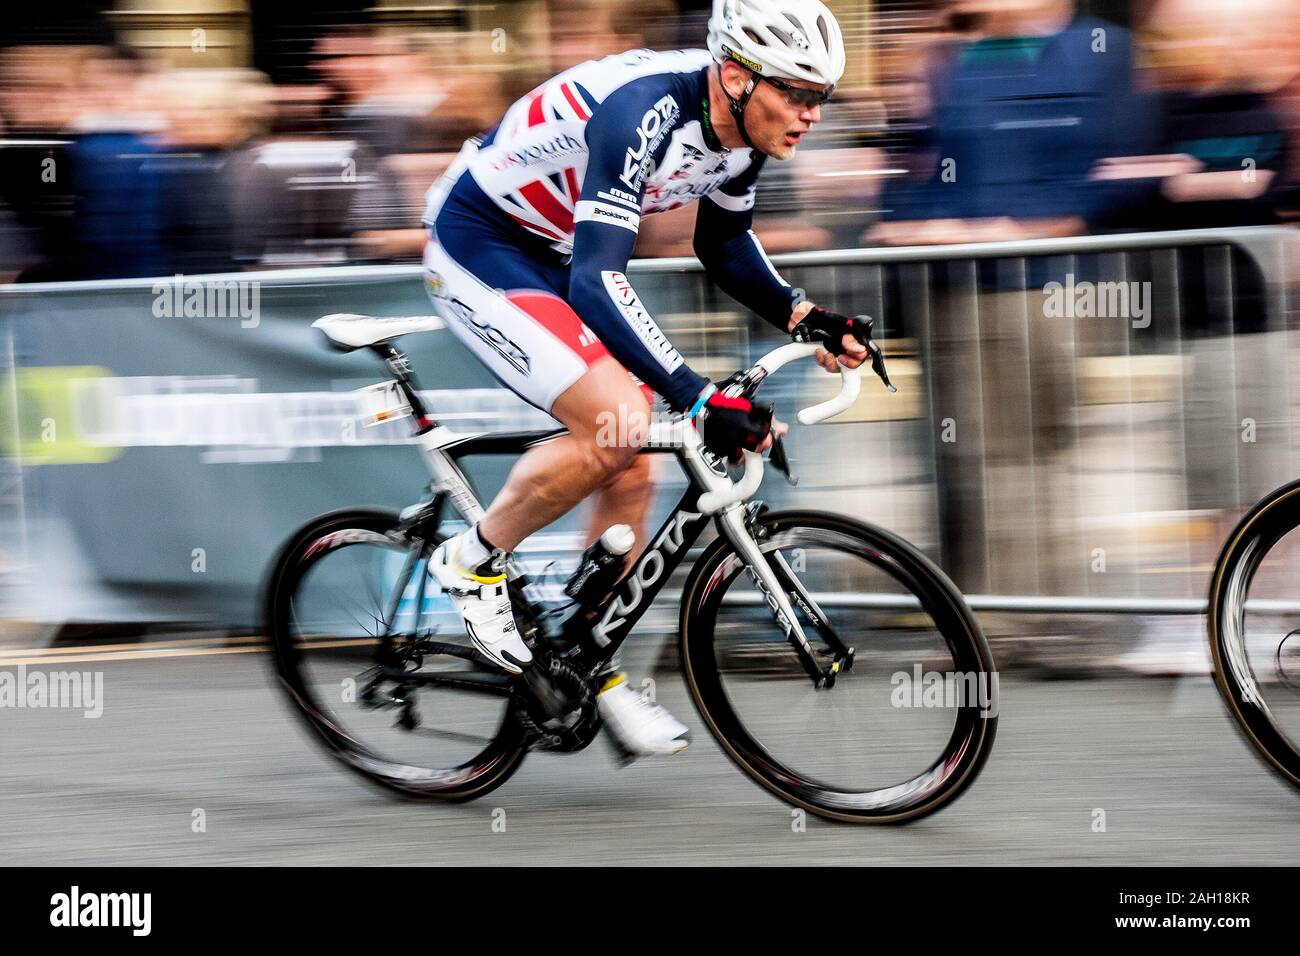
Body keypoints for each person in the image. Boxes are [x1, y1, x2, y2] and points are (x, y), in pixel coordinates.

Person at [420, 0, 871, 757]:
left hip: (558, 254)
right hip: (483, 240)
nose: (810, 114)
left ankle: (590, 666)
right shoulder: (645, 113)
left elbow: (724, 244)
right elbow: (600, 281)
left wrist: (809, 317)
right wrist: (700, 395)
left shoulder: (744, 132)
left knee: (636, 468)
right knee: (617, 421)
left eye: (819, 97)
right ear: (735, 76)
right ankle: (471, 561)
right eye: (795, 92)